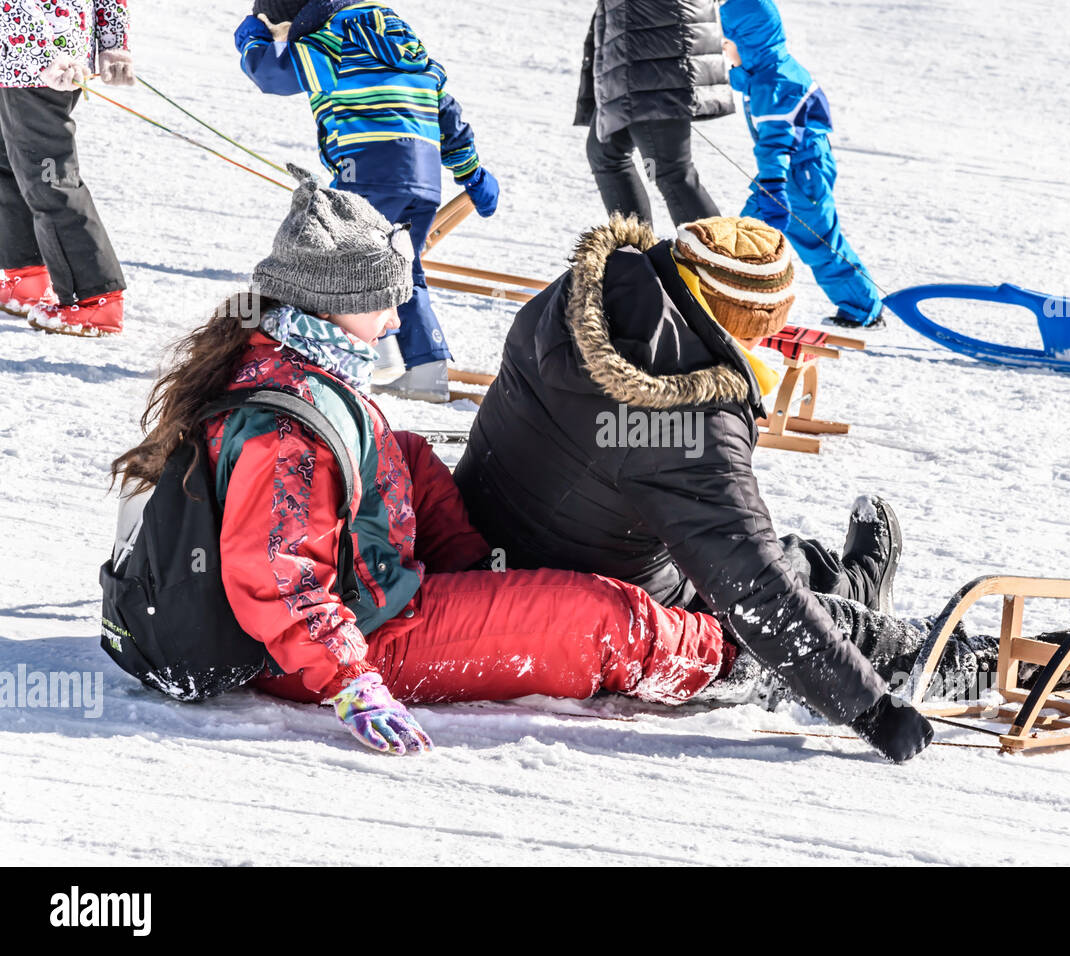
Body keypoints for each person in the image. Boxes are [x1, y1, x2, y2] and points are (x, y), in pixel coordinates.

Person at [107, 169, 768, 758]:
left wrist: (481, 572)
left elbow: (377, 479)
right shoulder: (285, 427)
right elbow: (277, 573)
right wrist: (351, 684)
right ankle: (737, 663)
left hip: (362, 600)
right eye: (381, 303)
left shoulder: (294, 359)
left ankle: (499, 583)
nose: (396, 320)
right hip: (340, 646)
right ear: (329, 302)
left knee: (408, 454)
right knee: (593, 617)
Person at [454, 215, 1070, 756]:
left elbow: (715, 520)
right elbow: (754, 591)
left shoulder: (578, 300)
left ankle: (851, 578)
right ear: (749, 318)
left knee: (760, 542)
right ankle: (1013, 663)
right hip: (618, 600)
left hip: (506, 535)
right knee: (816, 616)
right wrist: (871, 711)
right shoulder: (684, 421)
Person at [233, 0, 501, 403]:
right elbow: (447, 114)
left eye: (281, 36)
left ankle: (375, 356)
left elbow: (275, 74)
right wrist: (473, 174)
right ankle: (428, 371)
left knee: (346, 265)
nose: (282, 45)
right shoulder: (406, 42)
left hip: (369, 168)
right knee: (401, 265)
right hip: (423, 179)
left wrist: (253, 41)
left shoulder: (333, 38)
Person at [718, 0, 885, 329]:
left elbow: (775, 142)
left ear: (749, 41)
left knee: (812, 241)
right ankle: (727, 298)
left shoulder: (773, 84)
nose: (725, 50)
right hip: (801, 169)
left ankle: (864, 308)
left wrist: (773, 186)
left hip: (796, 175)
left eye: (728, 42)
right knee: (752, 234)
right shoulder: (773, 69)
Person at [0, 0, 133, 336]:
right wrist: (113, 42)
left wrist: (47, 51)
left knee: (49, 178)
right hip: (18, 56)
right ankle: (26, 275)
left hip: (39, 59)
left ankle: (96, 297)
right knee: (11, 165)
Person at [576, 0, 733, 228]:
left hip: (654, 49)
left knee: (671, 171)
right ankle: (636, 254)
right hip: (634, 46)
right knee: (605, 154)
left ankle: (717, 258)